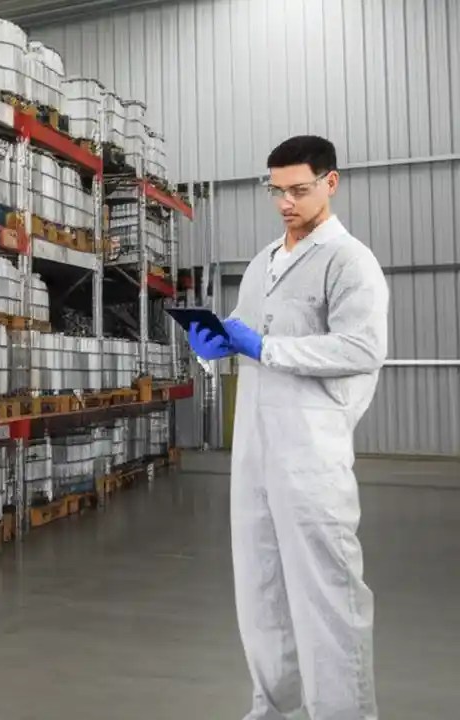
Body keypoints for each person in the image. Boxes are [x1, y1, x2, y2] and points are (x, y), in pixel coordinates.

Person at [187, 135, 388, 720]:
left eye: (298, 190)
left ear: (331, 182)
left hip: (310, 453)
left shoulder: (349, 261)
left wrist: (267, 347)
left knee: (327, 595)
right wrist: (217, 347)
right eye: (276, 191)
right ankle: (273, 710)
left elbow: (362, 347)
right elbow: (249, 336)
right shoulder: (262, 262)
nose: (286, 203)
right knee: (260, 591)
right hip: (253, 447)